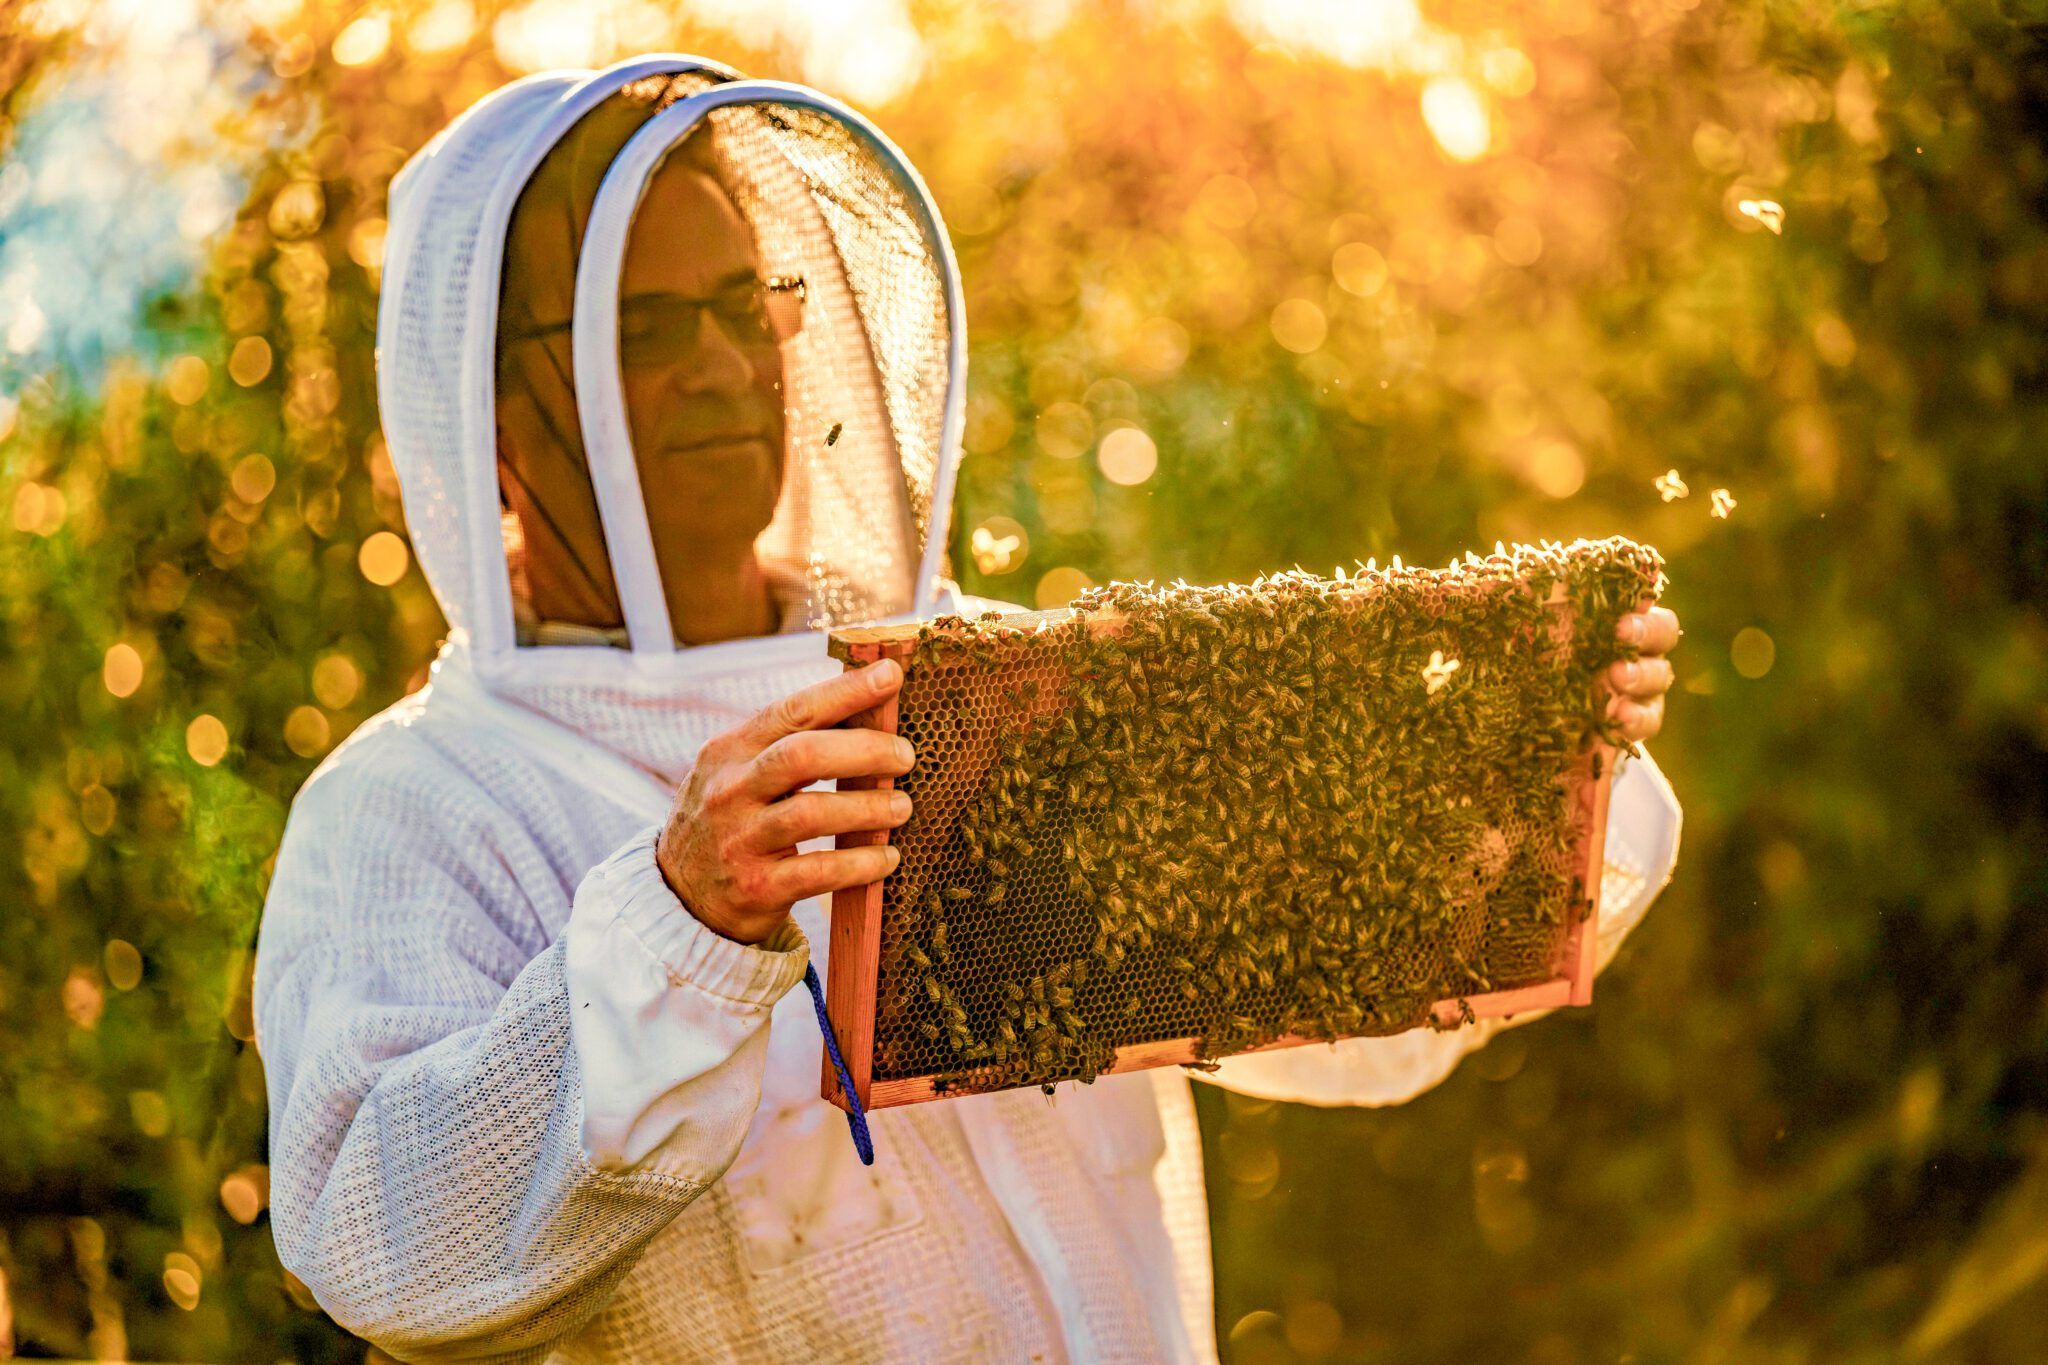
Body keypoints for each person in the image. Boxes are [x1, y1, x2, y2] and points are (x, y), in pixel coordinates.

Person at [253, 57, 1685, 1363]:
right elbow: (385, 1256)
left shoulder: (994, 687)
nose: (725, 363)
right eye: (642, 326)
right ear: (494, 412)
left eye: (746, 305)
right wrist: (679, 923)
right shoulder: (412, 810)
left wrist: (1531, 758)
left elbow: (1350, 1011)